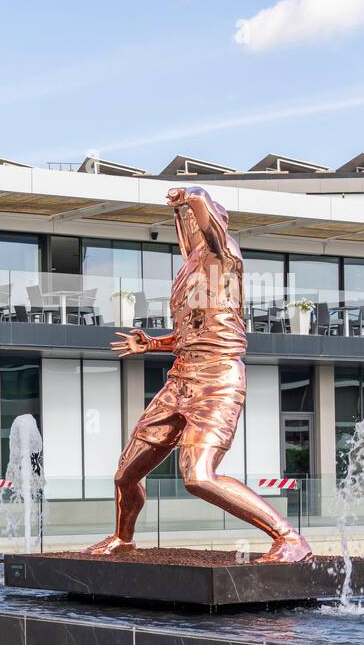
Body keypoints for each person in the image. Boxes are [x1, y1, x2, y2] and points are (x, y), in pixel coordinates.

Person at [85, 186, 312, 564]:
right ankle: (122, 540)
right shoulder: (187, 271)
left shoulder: (225, 255)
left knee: (197, 476)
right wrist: (153, 345)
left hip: (216, 382)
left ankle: (289, 539)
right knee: (126, 474)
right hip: (180, 381)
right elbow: (194, 333)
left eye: (191, 219)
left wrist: (192, 194)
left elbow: (204, 210)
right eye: (183, 220)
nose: (186, 224)